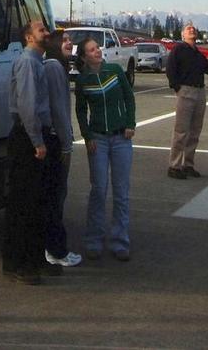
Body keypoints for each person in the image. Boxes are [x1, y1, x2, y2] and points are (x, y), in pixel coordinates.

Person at [74, 37, 136, 261]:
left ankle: (120, 241)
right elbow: (81, 110)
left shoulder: (115, 71)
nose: (97, 51)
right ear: (84, 56)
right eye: (91, 50)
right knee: (99, 190)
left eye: (97, 47)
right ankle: (94, 240)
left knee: (121, 192)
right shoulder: (83, 81)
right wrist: (87, 135)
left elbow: (129, 98)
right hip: (97, 139)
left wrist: (130, 123)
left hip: (121, 138)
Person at [2, 19, 51, 285]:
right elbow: (27, 106)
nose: (47, 33)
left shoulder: (38, 62)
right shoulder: (29, 63)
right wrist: (37, 141)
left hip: (31, 136)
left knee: (35, 201)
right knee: (23, 202)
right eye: (41, 30)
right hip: (26, 139)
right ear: (29, 38)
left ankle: (33, 258)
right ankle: (17, 263)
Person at [43, 31, 81, 272]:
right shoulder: (55, 67)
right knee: (56, 196)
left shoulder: (55, 66)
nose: (70, 43)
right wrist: (67, 144)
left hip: (56, 139)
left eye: (70, 40)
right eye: (65, 40)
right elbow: (58, 108)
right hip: (57, 142)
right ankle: (55, 250)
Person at [166, 24, 208, 179]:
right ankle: (175, 166)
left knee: (195, 132)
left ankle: (188, 164)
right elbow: (170, 68)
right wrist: (177, 87)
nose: (192, 30)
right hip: (186, 91)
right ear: (183, 35)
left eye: (193, 29)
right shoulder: (178, 49)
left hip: (200, 92)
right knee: (181, 131)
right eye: (188, 29)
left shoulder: (198, 53)